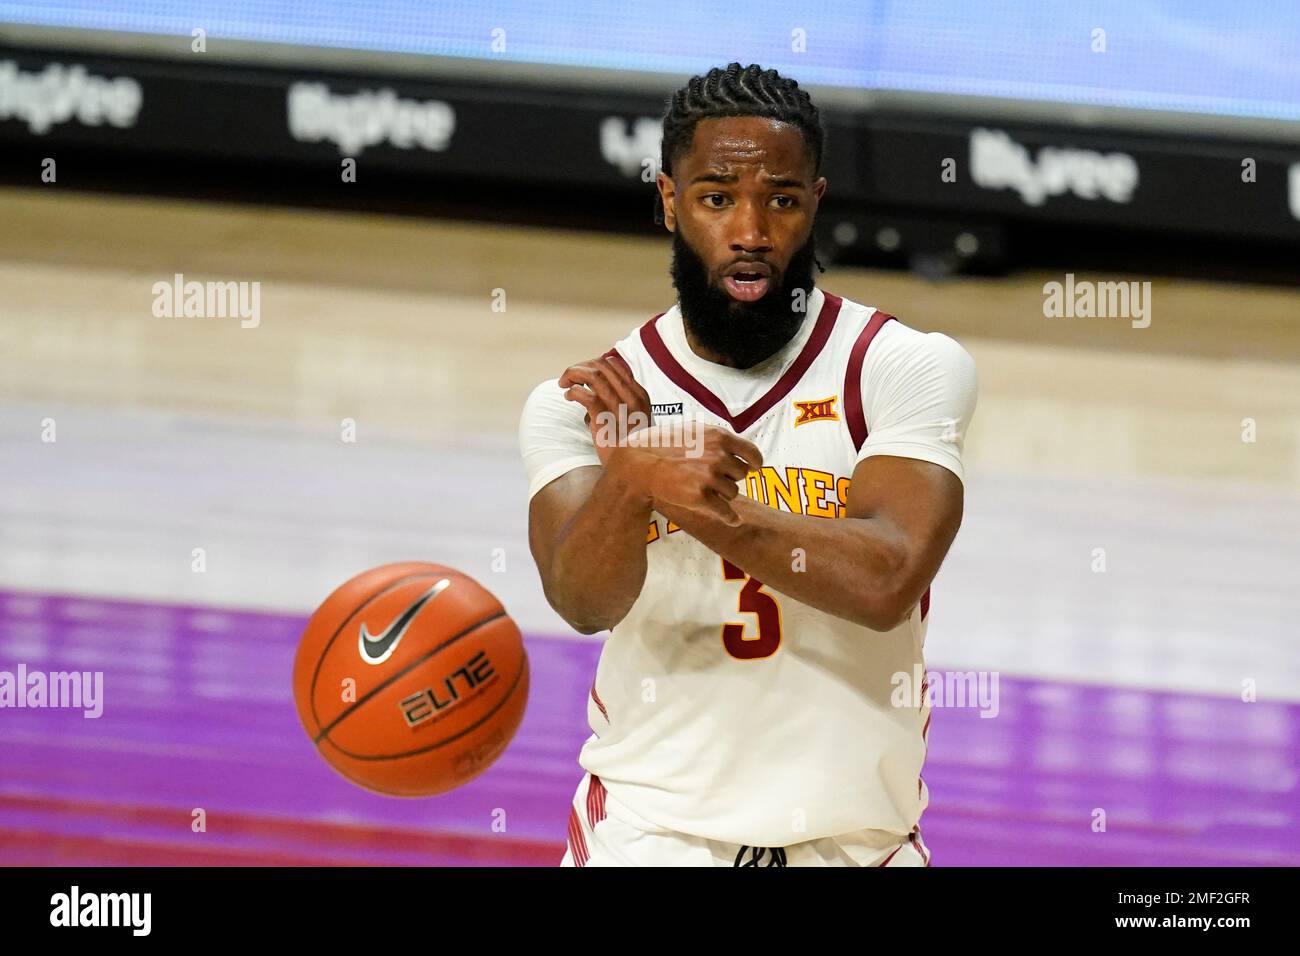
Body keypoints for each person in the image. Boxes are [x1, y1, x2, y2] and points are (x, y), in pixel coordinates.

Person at [519, 62, 977, 866]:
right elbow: (582, 601)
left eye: (783, 199)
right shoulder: (581, 404)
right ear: (669, 201)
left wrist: (692, 498)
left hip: (854, 844)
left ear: (816, 205)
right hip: (650, 836)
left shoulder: (902, 367)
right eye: (717, 195)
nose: (752, 230)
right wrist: (630, 481)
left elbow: (885, 582)